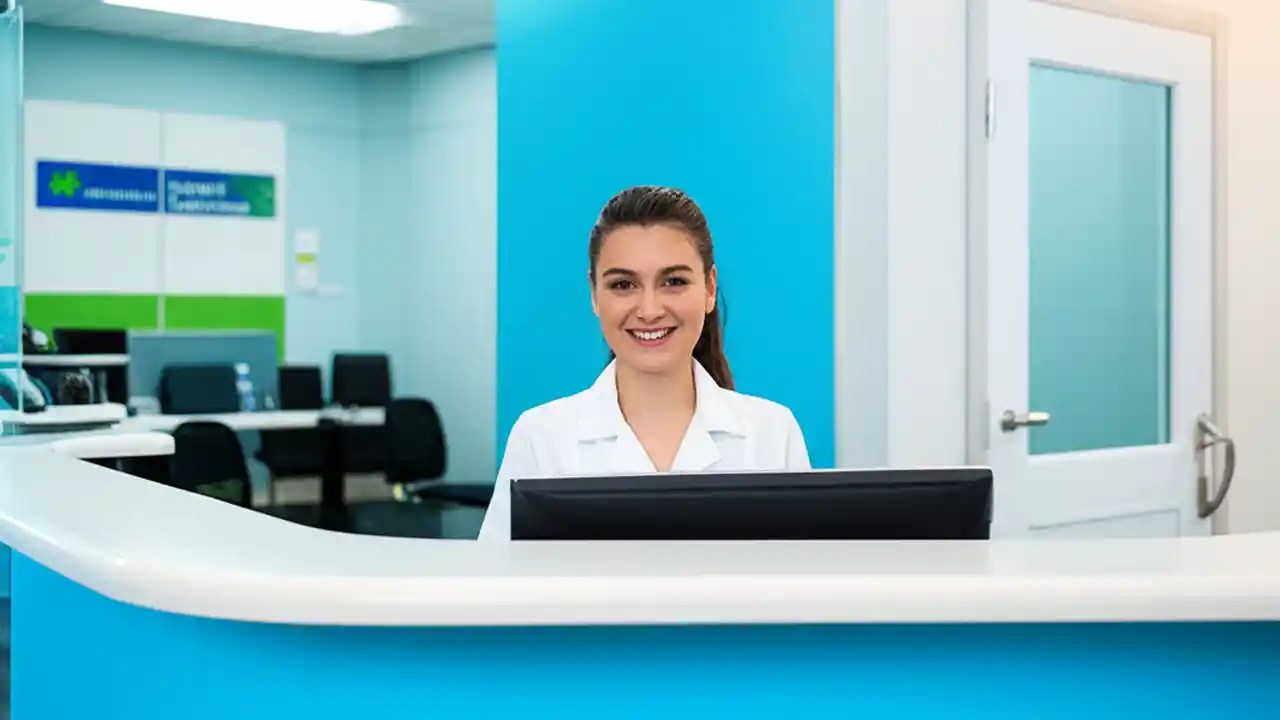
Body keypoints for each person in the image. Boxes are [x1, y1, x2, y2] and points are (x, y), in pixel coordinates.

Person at [478, 185, 809, 541]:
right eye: (623, 285)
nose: (649, 310)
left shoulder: (772, 434)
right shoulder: (540, 439)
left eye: (674, 281)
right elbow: (499, 589)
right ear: (594, 294)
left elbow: (807, 587)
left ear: (709, 289)